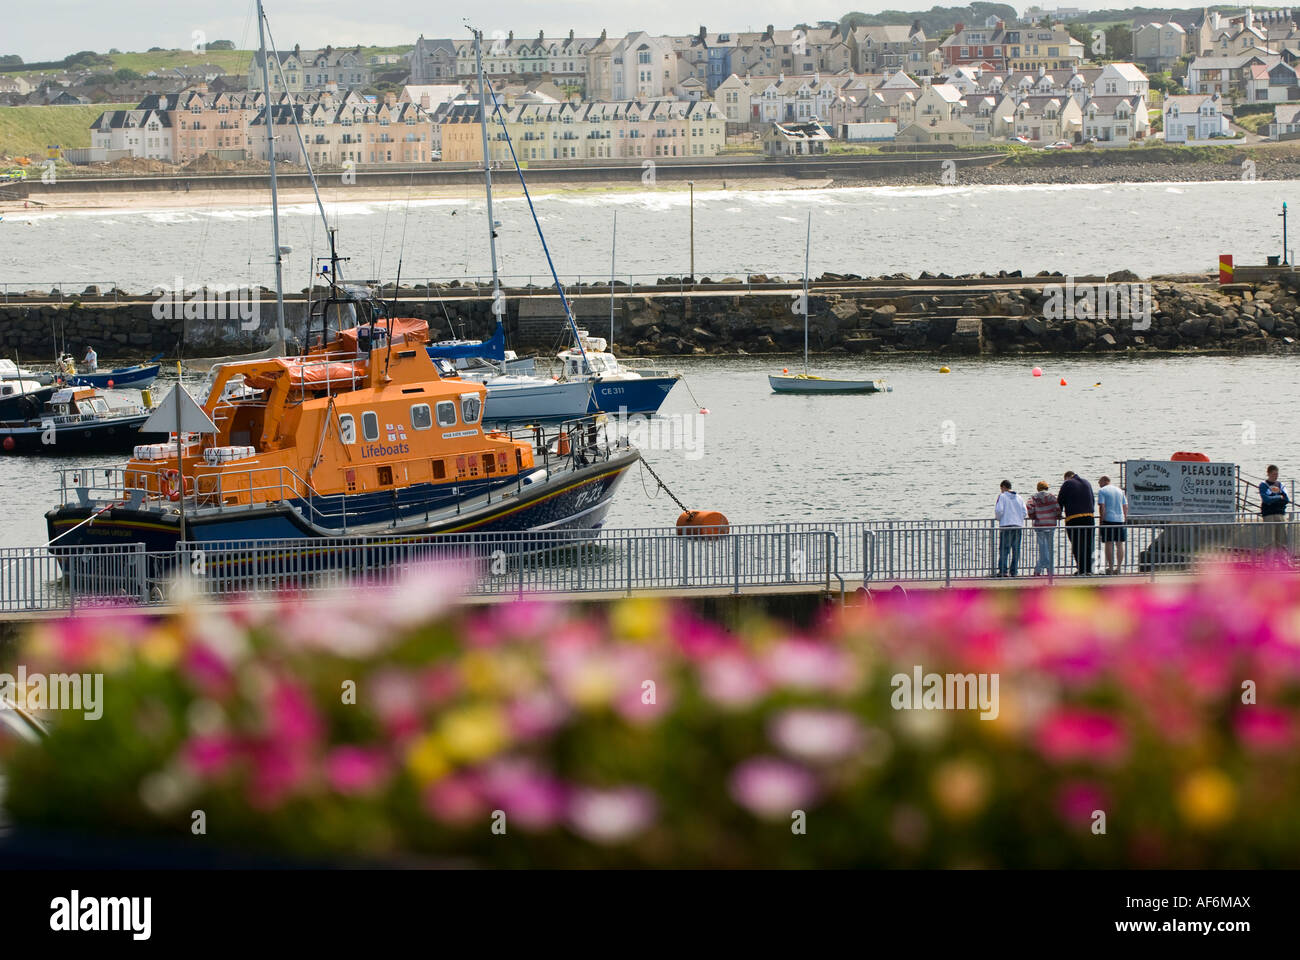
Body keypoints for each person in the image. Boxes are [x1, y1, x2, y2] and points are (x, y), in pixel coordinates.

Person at [1058, 470, 1096, 575]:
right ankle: (1089, 569)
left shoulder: (1067, 483)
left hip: (1074, 518)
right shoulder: (1087, 482)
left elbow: (1060, 500)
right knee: (1088, 544)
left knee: (1077, 544)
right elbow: (1093, 500)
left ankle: (1081, 569)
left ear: (1067, 477)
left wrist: (1058, 514)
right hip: (1090, 517)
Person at [1025, 480, 1061, 576]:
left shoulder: (1033, 497)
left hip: (1039, 525)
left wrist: (1033, 516)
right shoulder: (1052, 497)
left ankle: (1038, 570)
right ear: (1047, 488)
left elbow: (1029, 507)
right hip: (1050, 525)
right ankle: (1049, 571)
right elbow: (1058, 508)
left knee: (1042, 549)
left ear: (1038, 488)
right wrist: (1057, 516)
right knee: (1049, 549)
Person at [994, 480, 1028, 577]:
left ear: (1003, 487)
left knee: (1004, 549)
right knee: (1016, 549)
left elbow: (999, 510)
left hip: (1006, 525)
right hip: (1017, 525)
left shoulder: (1002, 496)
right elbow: (1024, 512)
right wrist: (1018, 519)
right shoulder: (1019, 497)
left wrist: (998, 518)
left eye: (1001, 489)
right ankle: (1014, 571)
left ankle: (1003, 571)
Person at [1096, 475, 1128, 575]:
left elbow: (1102, 507)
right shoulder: (1120, 491)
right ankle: (1118, 568)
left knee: (1109, 543)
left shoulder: (1102, 491)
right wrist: (1125, 518)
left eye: (1099, 482)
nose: (1099, 485)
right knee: (1119, 544)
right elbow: (1125, 506)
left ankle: (1110, 567)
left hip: (1108, 519)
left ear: (1104, 481)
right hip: (1120, 519)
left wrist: (1101, 521)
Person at [1259, 464, 1291, 551]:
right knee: (1269, 541)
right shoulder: (1263, 485)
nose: (1275, 476)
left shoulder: (1280, 485)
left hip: (1280, 514)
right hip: (1268, 515)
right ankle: (1268, 562)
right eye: (1273, 474)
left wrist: (1275, 499)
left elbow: (1286, 499)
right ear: (1268, 474)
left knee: (1282, 541)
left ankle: (1283, 562)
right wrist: (1278, 497)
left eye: (1277, 474)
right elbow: (1266, 499)